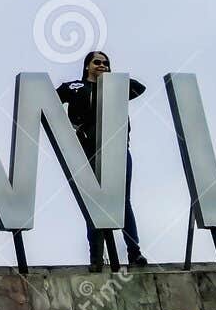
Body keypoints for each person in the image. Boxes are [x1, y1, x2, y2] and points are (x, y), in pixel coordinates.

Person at [56, 49, 147, 267]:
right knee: (94, 204)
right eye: (97, 62)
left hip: (116, 150)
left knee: (123, 202)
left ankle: (134, 252)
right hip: (87, 149)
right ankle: (96, 257)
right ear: (87, 65)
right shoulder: (74, 87)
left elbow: (139, 88)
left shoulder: (115, 88)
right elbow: (50, 102)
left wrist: (109, 79)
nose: (102, 65)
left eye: (105, 63)